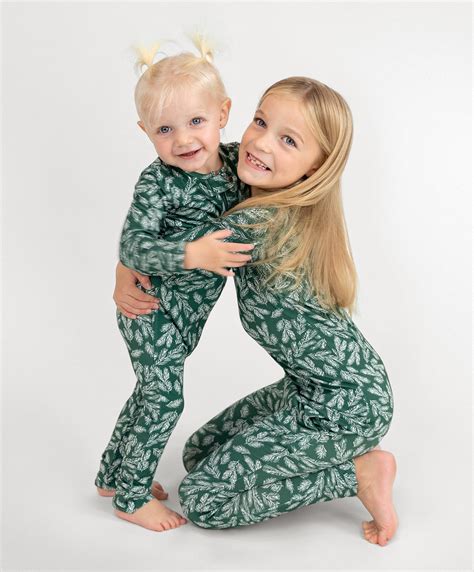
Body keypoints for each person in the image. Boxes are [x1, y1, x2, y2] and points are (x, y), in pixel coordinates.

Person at [114, 76, 398, 546]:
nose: (260, 143)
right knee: (198, 453)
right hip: (308, 388)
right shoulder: (258, 190)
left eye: (288, 140)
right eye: (261, 122)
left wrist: (127, 267)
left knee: (205, 500)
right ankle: (350, 460)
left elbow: (169, 236)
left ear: (316, 167)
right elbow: (204, 159)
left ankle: (359, 471)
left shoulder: (256, 222)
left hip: (347, 405)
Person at [94, 36, 252, 533]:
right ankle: (133, 498)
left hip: (183, 320)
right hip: (149, 308)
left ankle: (112, 474)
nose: (183, 139)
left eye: (196, 122)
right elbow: (134, 245)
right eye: (165, 129)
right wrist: (193, 253)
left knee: (148, 392)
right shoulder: (157, 182)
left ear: (223, 113)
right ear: (145, 131)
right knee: (164, 398)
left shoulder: (234, 165)